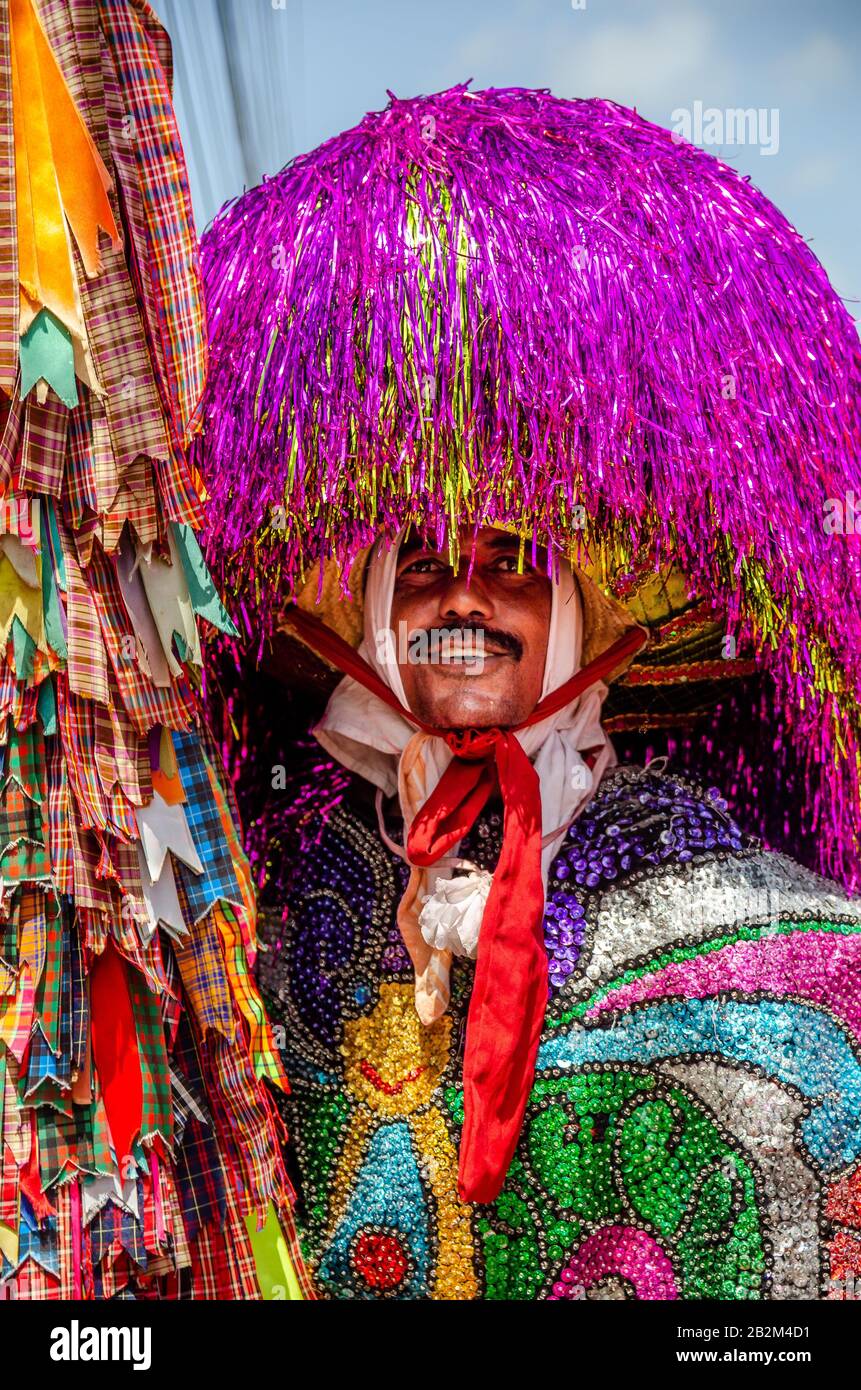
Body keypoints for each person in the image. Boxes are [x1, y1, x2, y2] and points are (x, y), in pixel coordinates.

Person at [257, 524, 861, 1301]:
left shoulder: (731, 895)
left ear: (576, 620)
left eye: (513, 567)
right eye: (421, 569)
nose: (464, 599)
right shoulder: (275, 894)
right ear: (377, 618)